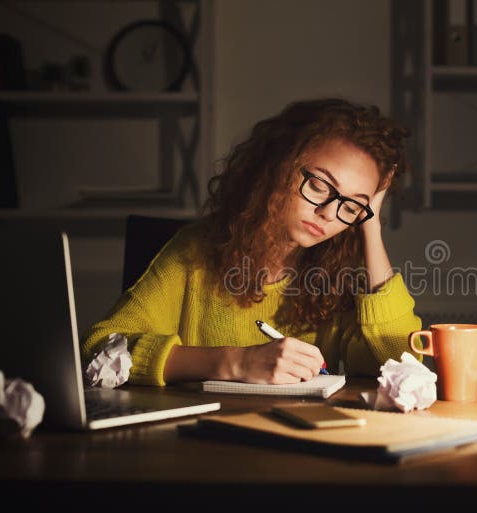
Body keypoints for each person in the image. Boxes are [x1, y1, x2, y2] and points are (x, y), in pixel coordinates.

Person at [80, 98, 423, 386]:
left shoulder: (334, 275)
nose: (328, 213)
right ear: (276, 167)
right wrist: (234, 363)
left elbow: (403, 363)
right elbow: (99, 350)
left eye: (351, 205)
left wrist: (371, 225)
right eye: (319, 186)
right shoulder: (195, 252)